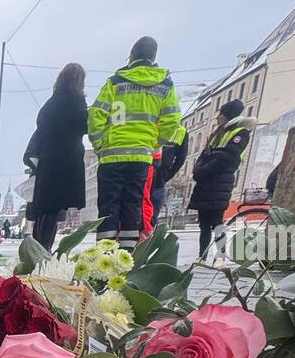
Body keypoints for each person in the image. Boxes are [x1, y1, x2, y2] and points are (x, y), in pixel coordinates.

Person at [88, 37, 183, 251]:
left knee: (108, 206)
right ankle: (127, 256)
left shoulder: (115, 82)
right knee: (133, 204)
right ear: (153, 57)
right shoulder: (164, 85)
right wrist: (153, 143)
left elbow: (96, 116)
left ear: (131, 56)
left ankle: (104, 254)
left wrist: (100, 144)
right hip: (141, 156)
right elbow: (172, 121)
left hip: (111, 156)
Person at [23, 63, 89, 250]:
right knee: (53, 211)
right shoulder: (77, 103)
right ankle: (43, 253)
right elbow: (86, 126)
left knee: (45, 210)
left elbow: (41, 129)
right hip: (68, 163)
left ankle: (39, 250)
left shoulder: (50, 105)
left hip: (48, 162)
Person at [189, 100, 255, 262]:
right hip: (205, 184)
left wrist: (204, 169)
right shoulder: (216, 134)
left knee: (217, 222)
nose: (217, 118)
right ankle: (202, 256)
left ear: (227, 116)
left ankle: (221, 256)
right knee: (203, 223)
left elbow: (228, 158)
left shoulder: (240, 133)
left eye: (220, 114)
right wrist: (198, 169)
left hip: (220, 184)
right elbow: (204, 154)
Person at [150, 125, 189, 228]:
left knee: (149, 216)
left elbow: (180, 159)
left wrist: (167, 176)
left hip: (157, 180)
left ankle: (146, 239)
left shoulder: (180, 131)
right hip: (148, 177)